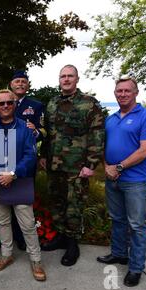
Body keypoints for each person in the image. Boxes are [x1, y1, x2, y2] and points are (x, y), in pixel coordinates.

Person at [97, 75, 146, 287]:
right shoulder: (111, 118)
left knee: (136, 225)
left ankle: (135, 268)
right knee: (117, 219)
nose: (122, 94)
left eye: (127, 91)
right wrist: (106, 167)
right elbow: (103, 147)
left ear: (136, 92)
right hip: (112, 178)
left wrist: (119, 167)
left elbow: (145, 150)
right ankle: (119, 254)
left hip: (135, 181)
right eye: (119, 91)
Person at [39, 64, 105, 266]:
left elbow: (98, 135)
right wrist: (43, 155)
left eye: (70, 76)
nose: (66, 79)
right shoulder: (52, 103)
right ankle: (60, 237)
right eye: (63, 76)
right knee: (57, 203)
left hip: (77, 167)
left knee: (74, 206)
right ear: (59, 80)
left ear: (77, 79)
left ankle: (72, 243)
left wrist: (91, 164)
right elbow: (47, 133)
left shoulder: (89, 104)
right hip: (54, 165)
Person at [0, 89, 46, 281]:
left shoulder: (26, 128)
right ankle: (6, 255)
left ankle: (36, 260)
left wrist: (13, 173)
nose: (5, 106)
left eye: (9, 102)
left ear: (15, 104)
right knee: (3, 222)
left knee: (27, 224)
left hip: (20, 181)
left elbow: (30, 155)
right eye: (1, 103)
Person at [9, 70, 46, 251]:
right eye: (17, 81)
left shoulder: (36, 105)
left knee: (22, 202)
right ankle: (8, 236)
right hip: (5, 158)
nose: (21, 84)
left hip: (25, 160)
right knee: (5, 201)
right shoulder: (2, 102)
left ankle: (22, 237)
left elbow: (44, 131)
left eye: (24, 81)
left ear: (28, 85)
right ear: (11, 84)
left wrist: (36, 131)